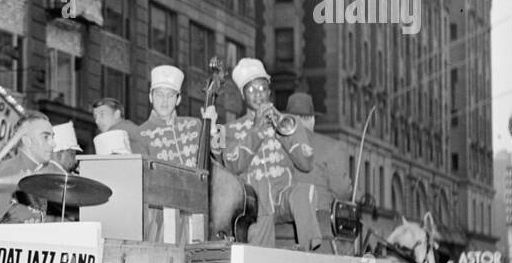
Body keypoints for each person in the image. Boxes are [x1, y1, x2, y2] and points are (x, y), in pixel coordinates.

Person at [221, 59, 320, 250]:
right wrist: (256, 131)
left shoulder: (289, 123)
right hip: (255, 207)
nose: (258, 94)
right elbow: (233, 166)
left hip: (283, 198)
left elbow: (306, 163)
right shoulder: (231, 130)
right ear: (243, 95)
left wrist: (282, 130)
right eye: (251, 90)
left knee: (305, 192)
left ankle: (310, 251)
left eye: (262, 88)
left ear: (269, 92)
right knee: (262, 207)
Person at [286, 92, 355, 251]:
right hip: (319, 235)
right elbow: (343, 192)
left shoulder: (276, 146)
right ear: (312, 119)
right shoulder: (332, 147)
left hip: (279, 235)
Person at [0, 113, 62, 223]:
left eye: (53, 137)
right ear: (27, 141)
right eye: (46, 137)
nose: (53, 144)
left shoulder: (55, 170)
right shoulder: (8, 170)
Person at [138, 66, 205, 167]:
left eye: (170, 95)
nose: (165, 101)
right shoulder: (140, 134)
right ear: (150, 97)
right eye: (159, 95)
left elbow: (219, 158)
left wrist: (213, 128)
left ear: (178, 99)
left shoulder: (195, 125)